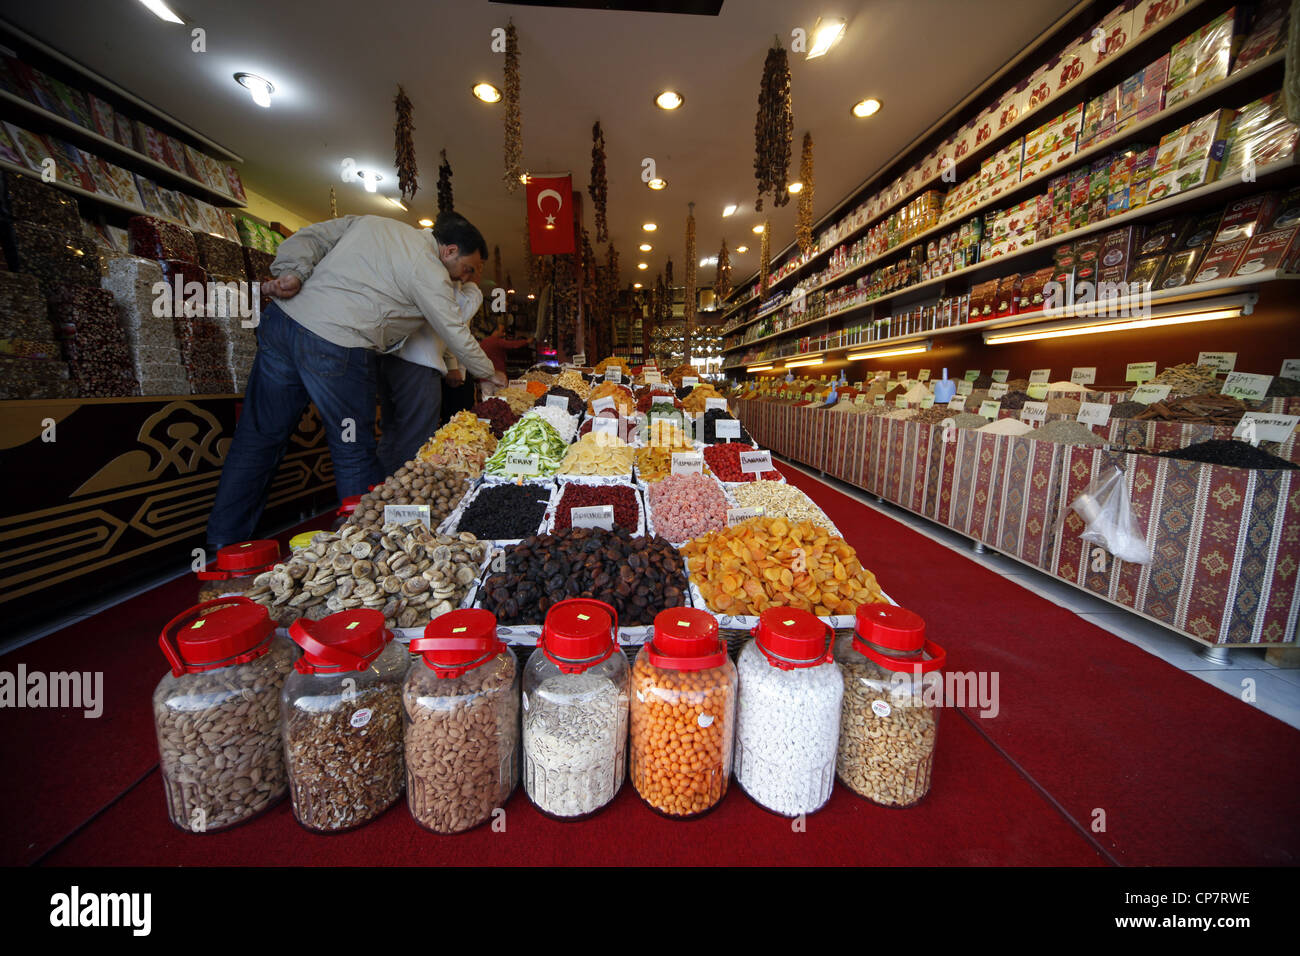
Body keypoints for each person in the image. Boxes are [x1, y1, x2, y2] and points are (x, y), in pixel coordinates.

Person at [205, 211, 505, 552]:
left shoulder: (373, 223)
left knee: (257, 438)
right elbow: (453, 331)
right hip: (337, 345)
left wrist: (291, 272)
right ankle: (366, 554)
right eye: (467, 268)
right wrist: (488, 373)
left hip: (284, 322)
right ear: (449, 250)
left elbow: (308, 237)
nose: (465, 278)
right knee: (353, 449)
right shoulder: (430, 270)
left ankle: (222, 547)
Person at [477, 318, 534, 396]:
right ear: (495, 331)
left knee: (486, 399)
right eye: (502, 331)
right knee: (500, 398)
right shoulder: (497, 341)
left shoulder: (483, 342)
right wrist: (526, 341)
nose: (504, 334)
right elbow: (512, 345)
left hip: (485, 376)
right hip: (498, 375)